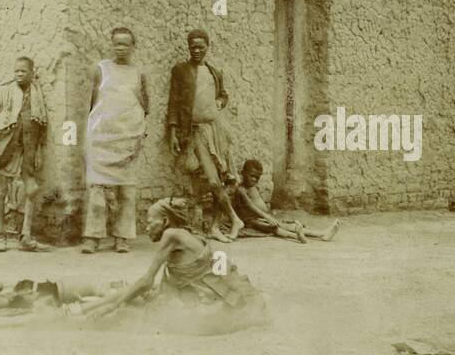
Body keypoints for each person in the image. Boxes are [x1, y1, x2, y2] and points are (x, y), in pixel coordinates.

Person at [85, 196, 267, 333]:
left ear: (164, 221)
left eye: (149, 222)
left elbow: (146, 281)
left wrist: (113, 306)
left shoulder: (171, 235)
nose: (146, 228)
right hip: (228, 303)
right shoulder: (189, 235)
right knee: (136, 296)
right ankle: (86, 308)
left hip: (213, 313)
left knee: (133, 312)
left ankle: (83, 311)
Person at [166, 29, 242, 239]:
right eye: (193, 47)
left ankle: (216, 227)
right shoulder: (180, 71)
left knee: (227, 180)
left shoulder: (214, 72)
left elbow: (224, 95)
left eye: (201, 46)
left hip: (217, 129)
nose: (197, 50)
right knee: (212, 180)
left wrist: (220, 101)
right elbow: (173, 102)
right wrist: (172, 133)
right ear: (188, 47)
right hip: (196, 132)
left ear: (208, 47)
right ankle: (235, 219)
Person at [83, 27, 149, 254]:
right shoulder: (100, 69)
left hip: (128, 138)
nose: (121, 48)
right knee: (97, 189)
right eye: (117, 43)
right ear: (111, 45)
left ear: (133, 46)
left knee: (127, 191)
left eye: (126, 44)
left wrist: (138, 134)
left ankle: (122, 237)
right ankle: (93, 237)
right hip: (101, 138)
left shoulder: (139, 73)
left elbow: (145, 105)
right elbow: (91, 102)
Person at [0, 56, 50, 251]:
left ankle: (26, 235)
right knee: (2, 190)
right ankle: (1, 234)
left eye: (23, 71)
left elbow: (42, 125)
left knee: (31, 189)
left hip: (28, 149)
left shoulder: (37, 95)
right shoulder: (5, 91)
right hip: (7, 147)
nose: (19, 74)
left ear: (32, 73)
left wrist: (39, 150)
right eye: (16, 71)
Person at [232, 159, 339, 243]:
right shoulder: (241, 189)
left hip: (261, 217)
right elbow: (251, 206)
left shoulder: (253, 187)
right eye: (252, 176)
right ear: (243, 173)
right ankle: (297, 236)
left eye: (257, 177)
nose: (255, 179)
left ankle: (321, 234)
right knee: (274, 228)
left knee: (284, 226)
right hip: (251, 221)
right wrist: (267, 217)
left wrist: (268, 215)